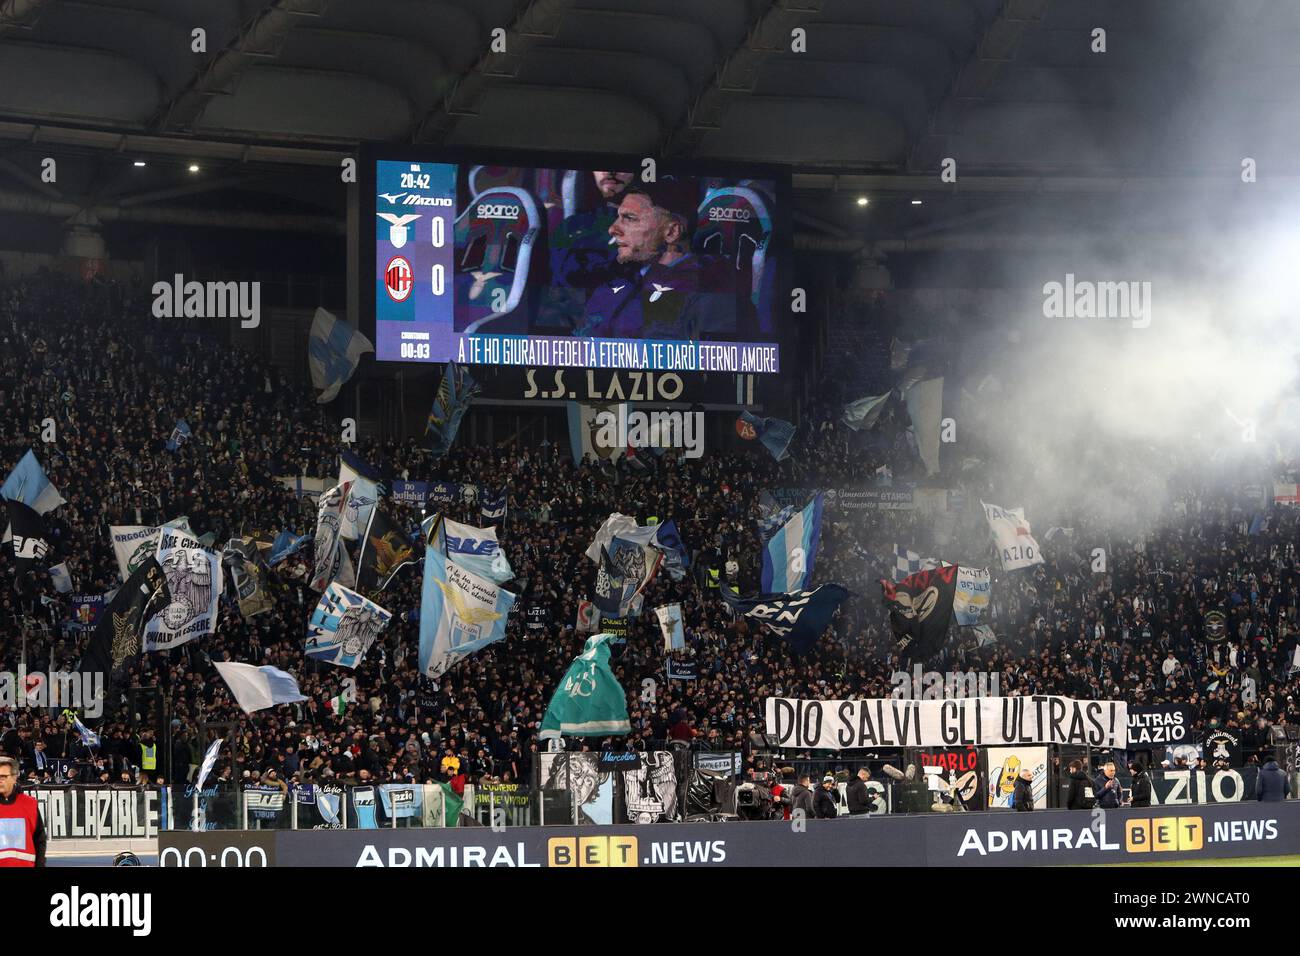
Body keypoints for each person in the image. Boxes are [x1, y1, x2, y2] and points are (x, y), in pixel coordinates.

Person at [581, 180, 754, 340]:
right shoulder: (619, 275)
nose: (613, 229)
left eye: (630, 218)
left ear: (671, 232)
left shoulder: (711, 293)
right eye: (618, 217)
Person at [0, 756, 46, 867]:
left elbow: (39, 840)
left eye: (3, 776)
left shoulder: (29, 804)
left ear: (14, 777)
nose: (0, 780)